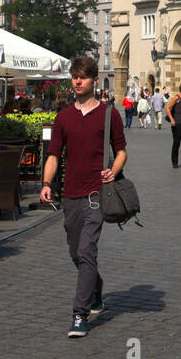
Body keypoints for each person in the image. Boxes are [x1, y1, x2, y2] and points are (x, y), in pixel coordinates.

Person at [41, 54, 126, 339]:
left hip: (95, 194)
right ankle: (96, 287)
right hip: (70, 195)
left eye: (83, 77)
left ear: (94, 80)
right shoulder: (63, 116)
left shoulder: (108, 114)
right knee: (76, 253)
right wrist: (46, 182)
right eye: (75, 76)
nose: (78, 81)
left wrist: (113, 170)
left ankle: (80, 315)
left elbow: (121, 150)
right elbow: (54, 154)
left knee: (87, 250)